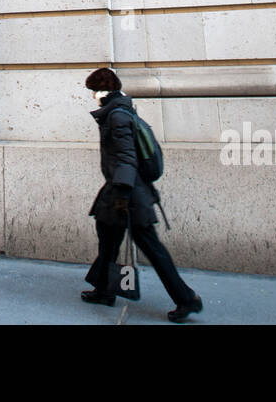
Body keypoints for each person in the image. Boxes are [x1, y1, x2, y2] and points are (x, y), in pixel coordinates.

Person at [81, 66, 203, 322]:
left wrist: (123, 195)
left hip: (128, 194)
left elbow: (126, 157)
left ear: (102, 90)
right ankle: (104, 290)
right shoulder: (120, 112)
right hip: (121, 189)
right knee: (108, 237)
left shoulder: (117, 116)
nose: (93, 96)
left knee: (152, 249)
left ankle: (186, 298)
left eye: (94, 91)